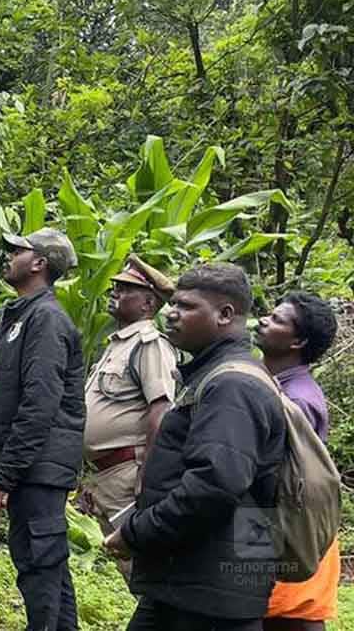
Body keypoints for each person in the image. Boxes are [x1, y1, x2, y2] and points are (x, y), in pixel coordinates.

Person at [105, 263, 287, 631]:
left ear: (224, 315)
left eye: (186, 307)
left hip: (211, 596)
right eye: (173, 304)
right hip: (187, 583)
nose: (170, 313)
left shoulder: (233, 385)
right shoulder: (213, 375)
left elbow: (213, 486)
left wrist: (137, 532)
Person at [0, 227, 85, 631]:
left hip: (40, 467)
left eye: (17, 250)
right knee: (46, 564)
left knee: (39, 562)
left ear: (38, 263)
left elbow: (41, 403)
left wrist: (5, 475)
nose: (9, 256)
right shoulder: (17, 315)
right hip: (31, 464)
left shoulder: (47, 319)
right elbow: (11, 393)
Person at [81, 254, 178, 580]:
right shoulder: (118, 344)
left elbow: (160, 409)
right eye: (116, 287)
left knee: (144, 565)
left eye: (126, 289)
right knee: (129, 566)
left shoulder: (149, 345)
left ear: (148, 303)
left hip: (127, 473)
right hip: (106, 474)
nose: (115, 293)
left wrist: (147, 475)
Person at [257, 292, 340, 631]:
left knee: (291, 621)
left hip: (295, 533)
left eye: (277, 319)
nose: (263, 320)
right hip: (285, 529)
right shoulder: (276, 385)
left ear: (298, 341)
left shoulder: (298, 400)